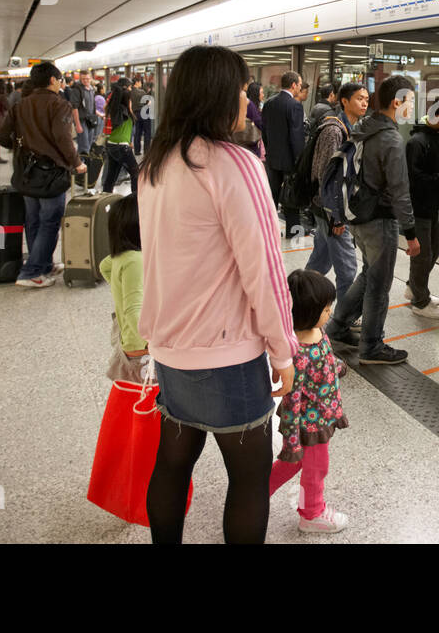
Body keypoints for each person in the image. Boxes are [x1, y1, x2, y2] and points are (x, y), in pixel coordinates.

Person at [137, 44, 297, 545]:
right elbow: (264, 269)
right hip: (226, 350)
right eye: (244, 90)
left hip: (170, 344)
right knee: (249, 476)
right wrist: (283, 346)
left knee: (173, 461)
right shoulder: (234, 165)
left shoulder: (155, 164)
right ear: (220, 96)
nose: (248, 102)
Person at [325, 74, 420, 365]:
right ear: (396, 102)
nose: (411, 108)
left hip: (358, 214)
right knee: (379, 283)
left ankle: (338, 327)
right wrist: (411, 232)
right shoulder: (390, 138)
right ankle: (372, 347)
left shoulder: (363, 128)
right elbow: (400, 191)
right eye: (410, 102)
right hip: (379, 219)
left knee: (369, 274)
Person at [270, 268, 350, 533]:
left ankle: (256, 493)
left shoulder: (317, 331)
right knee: (315, 470)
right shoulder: (298, 354)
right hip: (309, 426)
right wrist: (291, 441)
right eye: (325, 308)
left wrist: (336, 367)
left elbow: (324, 357)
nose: (329, 312)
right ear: (304, 312)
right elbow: (292, 403)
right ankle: (311, 514)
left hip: (322, 414)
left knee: (292, 466)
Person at [0, 62, 86, 288]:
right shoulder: (59, 104)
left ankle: (43, 265)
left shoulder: (21, 105)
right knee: (49, 222)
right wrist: (77, 163)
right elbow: (63, 138)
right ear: (53, 81)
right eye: (60, 80)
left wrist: (20, 146)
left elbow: (1, 135)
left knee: (33, 220)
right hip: (51, 174)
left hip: (26, 172)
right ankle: (31, 271)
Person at [305, 81, 366, 304]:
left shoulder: (351, 128)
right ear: (344, 101)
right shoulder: (334, 130)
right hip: (331, 210)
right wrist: (336, 215)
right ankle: (345, 319)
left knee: (319, 262)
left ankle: (299, 301)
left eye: (367, 99)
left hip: (330, 209)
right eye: (360, 98)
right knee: (348, 269)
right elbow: (326, 176)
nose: (364, 103)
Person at [404, 108, 439, 319]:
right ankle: (420, 301)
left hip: (431, 205)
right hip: (419, 205)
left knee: (435, 248)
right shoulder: (417, 141)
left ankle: (414, 287)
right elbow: (413, 177)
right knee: (423, 255)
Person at [99, 193, 147, 384]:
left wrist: (119, 289)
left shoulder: (122, 255)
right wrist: (152, 343)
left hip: (128, 341)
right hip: (141, 350)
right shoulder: (136, 260)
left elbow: (105, 266)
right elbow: (134, 310)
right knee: (148, 401)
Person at [261, 70, 307, 239]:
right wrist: (299, 160)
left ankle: (270, 230)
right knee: (291, 198)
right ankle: (293, 232)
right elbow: (296, 137)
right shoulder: (295, 106)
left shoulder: (269, 103)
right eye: (300, 85)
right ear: (293, 85)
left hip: (273, 159)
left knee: (272, 196)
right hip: (289, 161)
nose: (300, 88)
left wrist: (270, 149)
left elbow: (264, 131)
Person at [101, 79, 140, 194]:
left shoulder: (122, 111)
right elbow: (118, 97)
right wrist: (120, 89)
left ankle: (105, 196)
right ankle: (135, 200)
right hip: (121, 147)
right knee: (135, 172)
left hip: (113, 145)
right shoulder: (121, 111)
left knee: (111, 176)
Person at [65, 71, 98, 159]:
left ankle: (84, 164)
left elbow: (92, 105)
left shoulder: (91, 89)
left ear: (91, 78)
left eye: (87, 79)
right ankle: (81, 165)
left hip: (91, 120)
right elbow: (74, 107)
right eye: (83, 79)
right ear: (80, 78)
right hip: (82, 120)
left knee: (90, 143)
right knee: (84, 146)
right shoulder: (77, 89)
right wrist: (78, 124)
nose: (85, 81)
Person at [131, 78, 153, 156]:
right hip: (144, 112)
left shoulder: (131, 92)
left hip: (135, 113)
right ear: (137, 82)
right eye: (140, 82)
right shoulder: (141, 92)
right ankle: (146, 151)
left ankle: (137, 151)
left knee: (138, 132)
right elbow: (148, 102)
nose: (141, 83)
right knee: (147, 132)